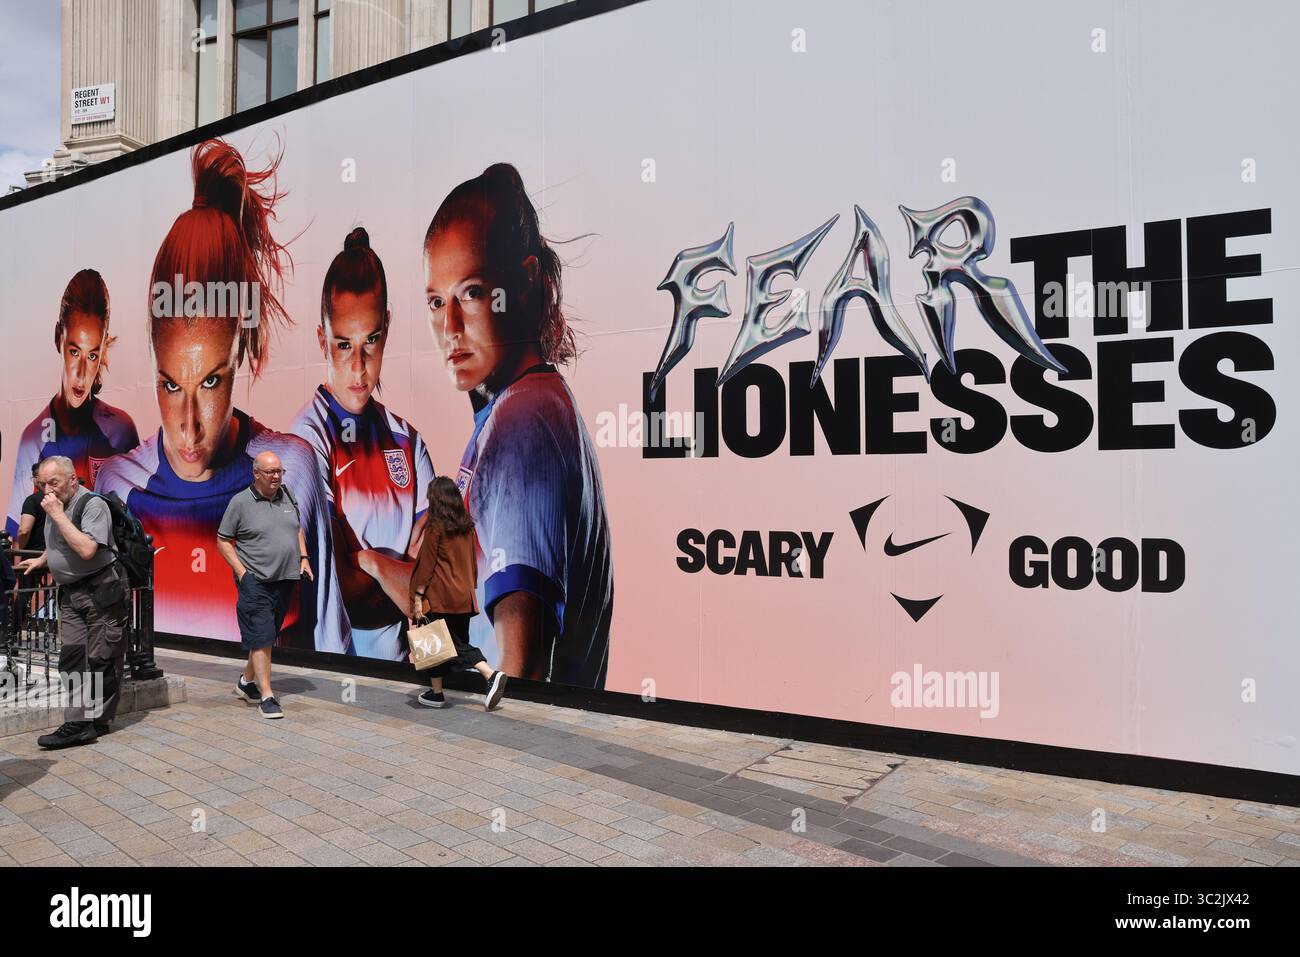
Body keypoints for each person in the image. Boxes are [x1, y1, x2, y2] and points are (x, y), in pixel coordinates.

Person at [95, 138, 350, 653]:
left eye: (211, 381)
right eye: (170, 384)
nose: (188, 425)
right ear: (150, 354)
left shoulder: (291, 470)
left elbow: (331, 652)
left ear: (244, 344)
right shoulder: (117, 487)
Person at [422, 163, 613, 689]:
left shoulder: (522, 423)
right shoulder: (523, 408)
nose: (450, 328)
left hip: (508, 758)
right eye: (437, 302)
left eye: (473, 292)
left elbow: (521, 673)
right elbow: (466, 635)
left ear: (526, 282)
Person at [291, 227, 435, 661]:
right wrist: (403, 580)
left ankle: (441, 686)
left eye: (370, 341)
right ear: (322, 340)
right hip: (337, 685)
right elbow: (346, 592)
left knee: (445, 697)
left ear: (387, 328)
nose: (358, 367)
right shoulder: (306, 442)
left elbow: (436, 586)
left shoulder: (407, 441)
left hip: (410, 670)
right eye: (343, 345)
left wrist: (369, 562)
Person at [4, 269, 138, 537]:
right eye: (74, 351)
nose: (81, 373)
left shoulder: (120, 430)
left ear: (103, 351)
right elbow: (18, 535)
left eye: (92, 355)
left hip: (105, 568)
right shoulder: (33, 438)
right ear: (59, 338)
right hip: (57, 569)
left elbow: (135, 522)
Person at [15, 456, 128, 749]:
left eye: (53, 483)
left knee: (103, 657)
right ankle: (78, 721)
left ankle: (97, 721)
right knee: (73, 658)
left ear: (72, 480)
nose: (47, 490)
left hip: (101, 589)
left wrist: (57, 515)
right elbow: (61, 543)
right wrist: (43, 559)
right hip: (71, 592)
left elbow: (88, 548)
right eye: (42, 484)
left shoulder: (92, 505)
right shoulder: (56, 506)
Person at [216, 450, 311, 719]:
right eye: (271, 472)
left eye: (280, 471)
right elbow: (223, 541)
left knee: (265, 636)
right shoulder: (240, 503)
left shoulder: (288, 495)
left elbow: (296, 527)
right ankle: (267, 695)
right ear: (256, 474)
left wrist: (303, 557)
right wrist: (242, 573)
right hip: (255, 581)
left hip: (285, 580)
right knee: (262, 636)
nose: (277, 476)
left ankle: (246, 682)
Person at [407, 476, 506, 710]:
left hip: (442, 597)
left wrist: (418, 598)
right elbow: (472, 565)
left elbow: (426, 566)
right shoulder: (467, 528)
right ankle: (436, 693)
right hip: (463, 597)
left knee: (451, 644)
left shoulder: (435, 528)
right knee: (435, 644)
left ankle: (490, 674)